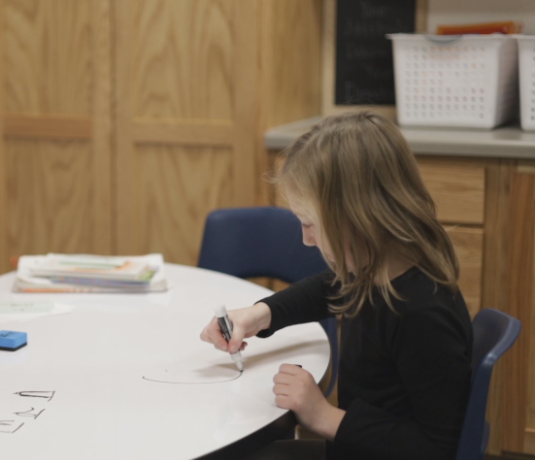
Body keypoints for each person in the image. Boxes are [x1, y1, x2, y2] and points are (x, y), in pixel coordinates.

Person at [200, 112, 473, 460]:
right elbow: (330, 289)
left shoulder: (422, 312)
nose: (306, 239)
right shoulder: (381, 273)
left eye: (310, 223)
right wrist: (258, 315)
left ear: (357, 217)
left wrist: (323, 416)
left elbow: (435, 449)